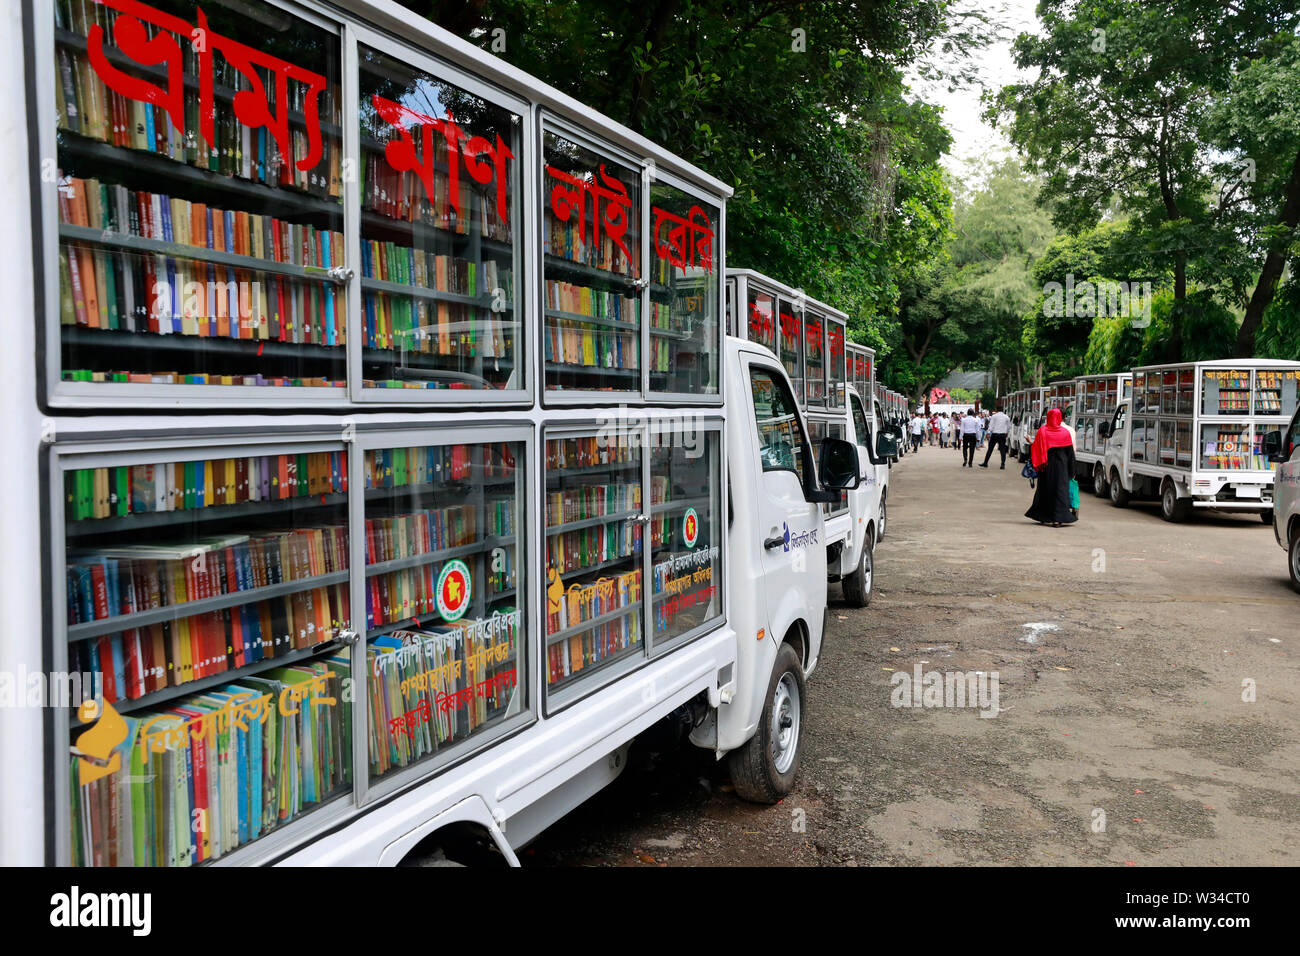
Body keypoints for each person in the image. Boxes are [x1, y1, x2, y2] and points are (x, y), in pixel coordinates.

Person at [1025, 408, 1078, 527]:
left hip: (1046, 467)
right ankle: (1057, 519)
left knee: (1046, 490)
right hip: (1062, 467)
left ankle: (1044, 516)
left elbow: (1036, 448)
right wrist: (1072, 470)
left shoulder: (1042, 431)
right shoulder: (1064, 433)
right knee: (1060, 491)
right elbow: (1070, 454)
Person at [980, 404, 1012, 469]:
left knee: (990, 449)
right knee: (1002, 450)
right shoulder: (1006, 417)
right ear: (1003, 410)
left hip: (995, 434)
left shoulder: (994, 416)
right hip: (1002, 434)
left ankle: (985, 463)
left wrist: (988, 433)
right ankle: (1002, 464)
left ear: (996, 410)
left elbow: (991, 425)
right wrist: (1007, 432)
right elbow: (1009, 427)